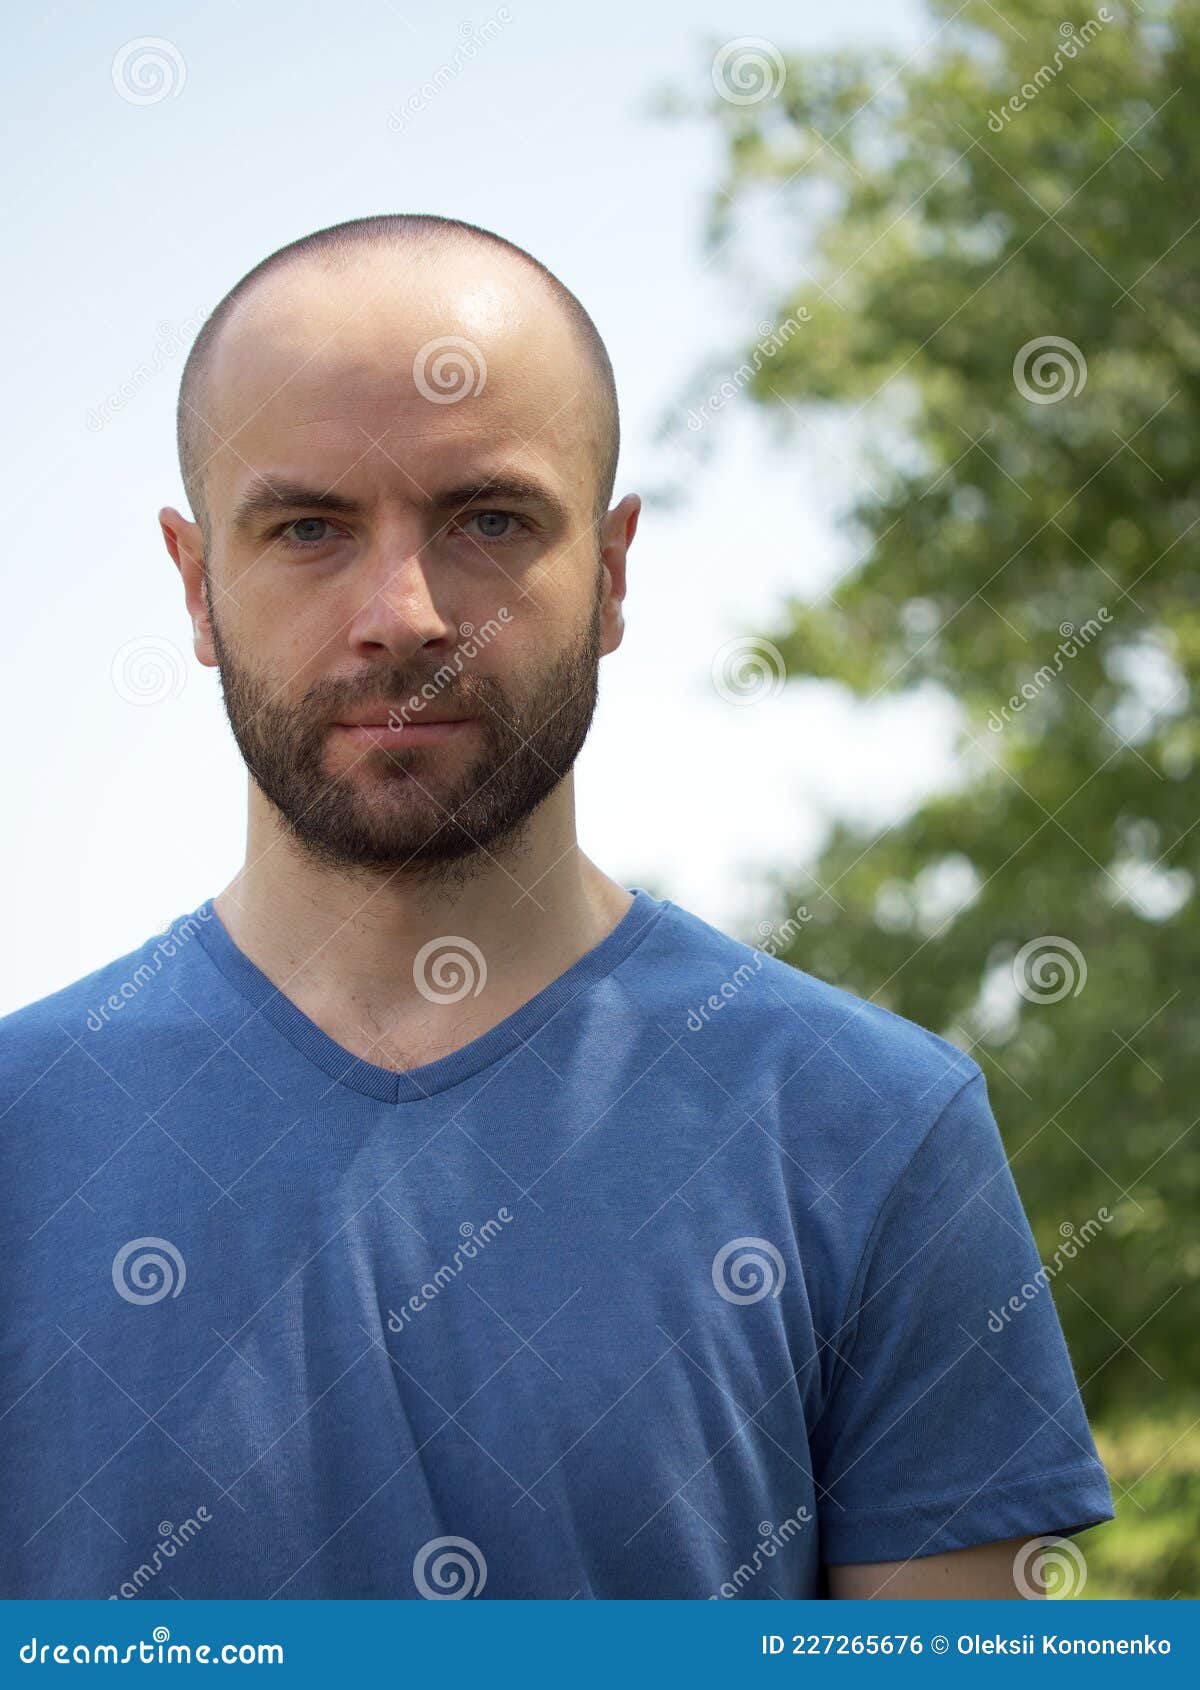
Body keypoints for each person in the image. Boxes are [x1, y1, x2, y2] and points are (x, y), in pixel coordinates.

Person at [0, 215, 1112, 1601]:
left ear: (613, 571)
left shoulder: (874, 1130)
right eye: (308, 528)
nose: (405, 613)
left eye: (488, 521)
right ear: (196, 584)